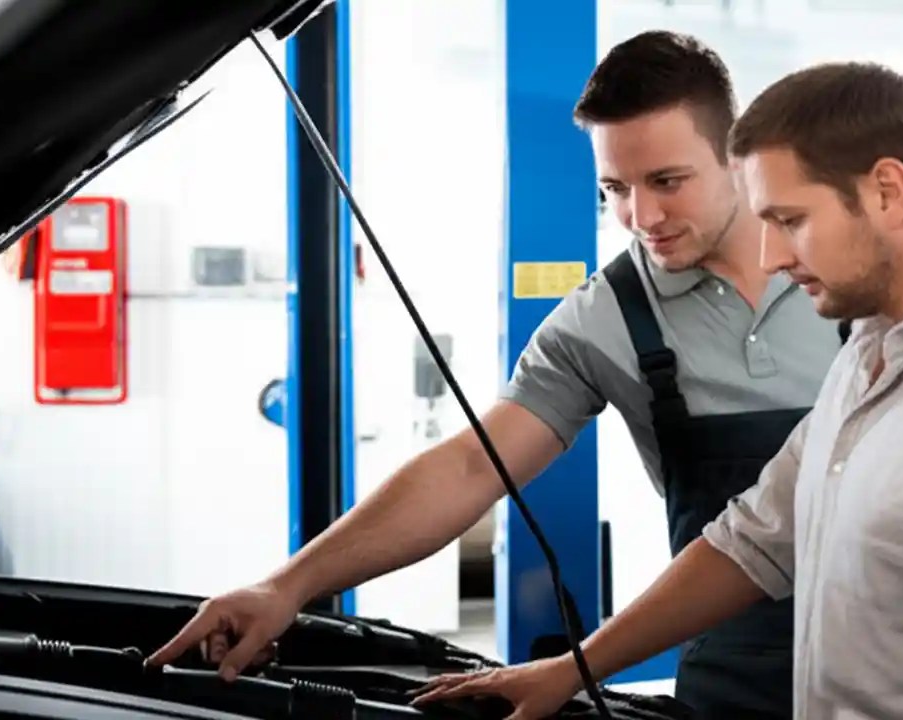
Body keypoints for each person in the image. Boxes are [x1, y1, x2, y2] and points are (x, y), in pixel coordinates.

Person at [145, 31, 844, 718]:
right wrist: (287, 588)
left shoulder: (854, 280)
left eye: (666, 181)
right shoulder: (606, 319)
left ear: (735, 154)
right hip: (731, 686)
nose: (641, 216)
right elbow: (472, 468)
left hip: (901, 662)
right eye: (614, 188)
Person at [410, 60, 903, 720]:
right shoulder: (868, 363)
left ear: (887, 191)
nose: (772, 256)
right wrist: (574, 668)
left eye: (789, 222)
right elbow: (752, 541)